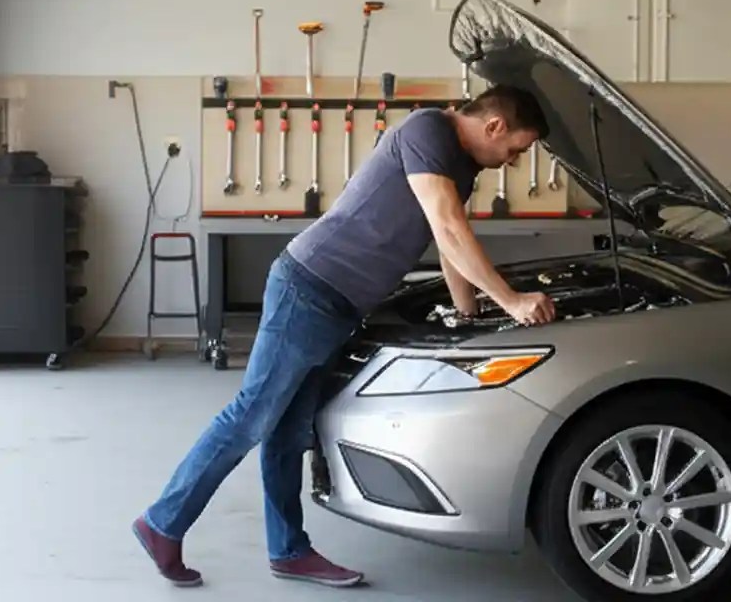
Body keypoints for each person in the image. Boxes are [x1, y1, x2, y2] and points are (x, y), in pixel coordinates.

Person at [132, 83, 557, 588]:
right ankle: (162, 523)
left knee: (289, 432)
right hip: (307, 288)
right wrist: (511, 300)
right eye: (516, 149)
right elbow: (447, 228)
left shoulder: (461, 166)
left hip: (337, 305)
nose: (512, 161)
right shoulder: (429, 130)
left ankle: (288, 551)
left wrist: (469, 313)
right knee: (251, 417)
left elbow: (448, 245)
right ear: (495, 125)